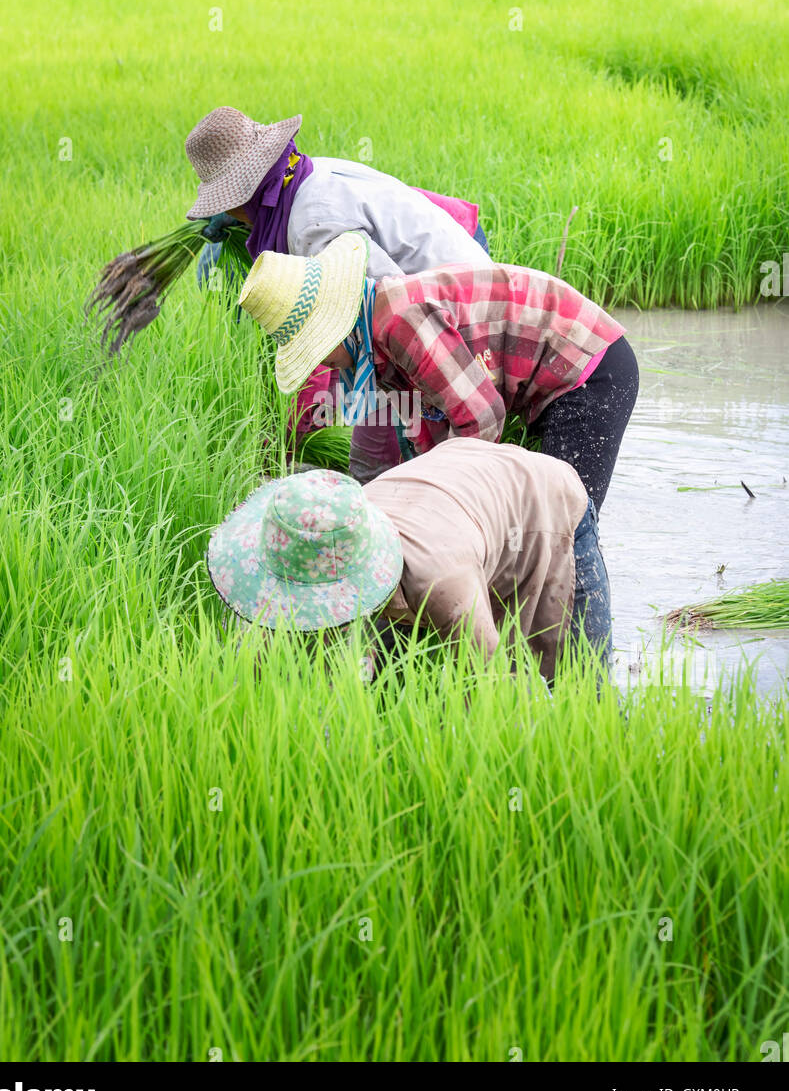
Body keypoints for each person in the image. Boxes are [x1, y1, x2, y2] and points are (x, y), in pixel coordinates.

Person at [185, 105, 491, 481]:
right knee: (375, 446)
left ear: (242, 195)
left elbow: (390, 312)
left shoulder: (313, 225)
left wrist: (297, 431)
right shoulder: (302, 178)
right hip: (440, 291)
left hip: (453, 309)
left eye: (227, 200)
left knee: (437, 443)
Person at [237, 232, 638, 512]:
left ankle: (584, 636)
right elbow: (372, 451)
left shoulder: (399, 319)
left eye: (316, 352)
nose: (321, 366)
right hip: (549, 380)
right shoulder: (371, 344)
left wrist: (438, 503)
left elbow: (482, 418)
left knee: (563, 523)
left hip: (586, 369)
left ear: (334, 329)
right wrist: (368, 509)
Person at [206, 442, 611, 686]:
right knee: (387, 682)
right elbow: (257, 666)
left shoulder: (441, 580)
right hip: (457, 497)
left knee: (582, 689)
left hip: (544, 510)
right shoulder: (325, 535)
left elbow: (490, 693)